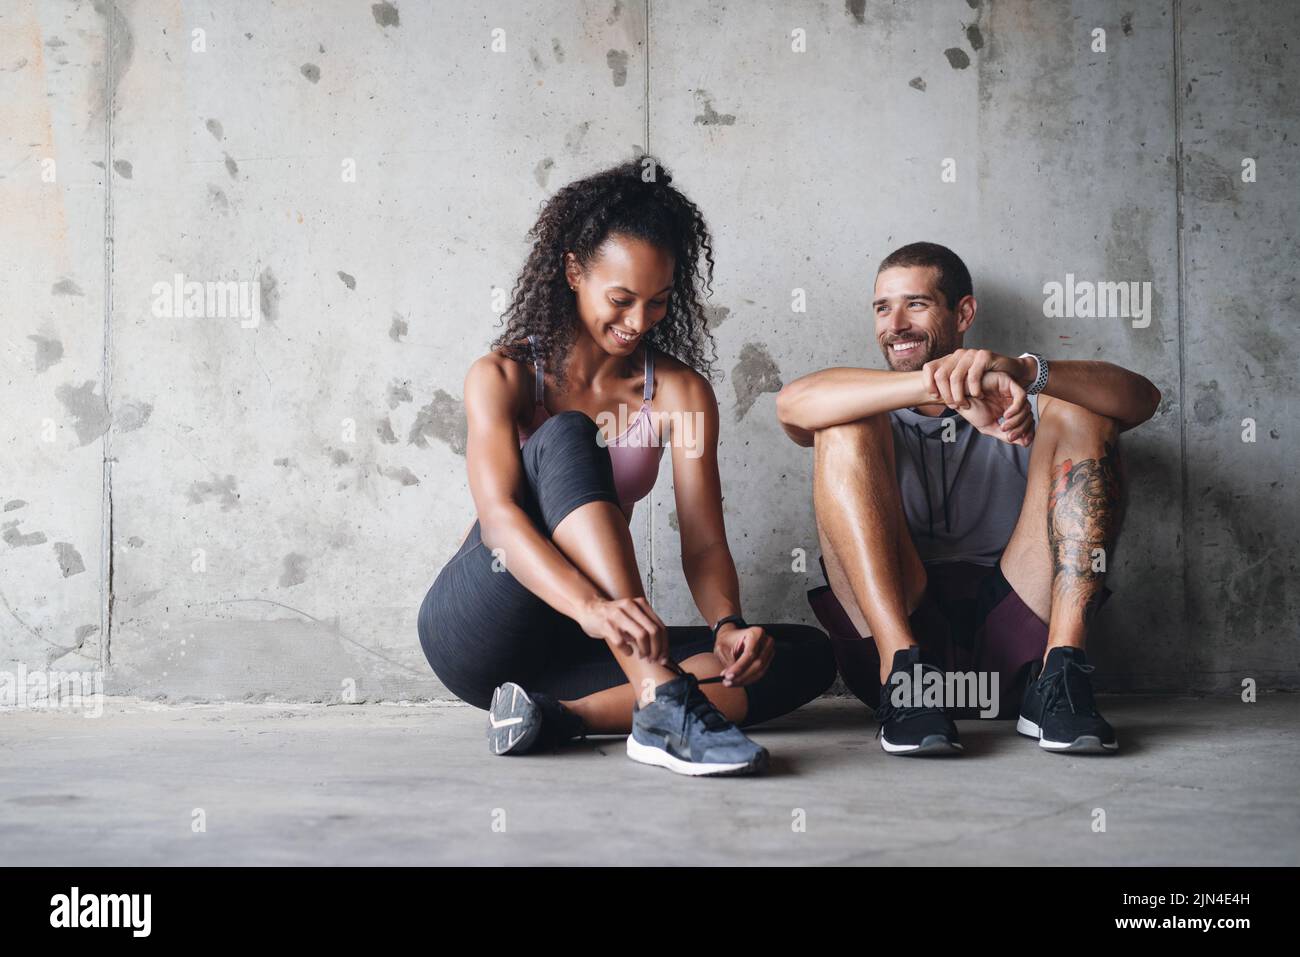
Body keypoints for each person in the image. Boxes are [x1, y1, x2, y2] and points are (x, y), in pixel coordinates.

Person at [417, 157, 836, 777]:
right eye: (621, 299)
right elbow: (500, 521)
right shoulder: (503, 376)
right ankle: (662, 701)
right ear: (573, 271)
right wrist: (590, 607)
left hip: (586, 648)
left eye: (658, 302)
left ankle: (562, 715)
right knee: (569, 434)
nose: (638, 323)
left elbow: (702, 540)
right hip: (488, 619)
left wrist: (728, 623)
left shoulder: (679, 394)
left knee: (799, 654)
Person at [776, 242, 1160, 756]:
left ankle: (1062, 674)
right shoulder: (866, 402)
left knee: (1082, 411)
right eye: (882, 308)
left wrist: (1022, 372)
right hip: (897, 643)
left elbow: (1141, 400)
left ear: (963, 313)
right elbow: (793, 405)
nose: (896, 323)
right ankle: (904, 670)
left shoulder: (1017, 395)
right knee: (842, 426)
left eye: (915, 304)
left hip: (1015, 644)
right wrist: (933, 387)